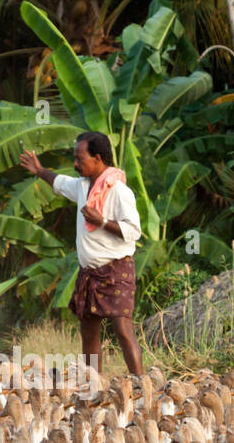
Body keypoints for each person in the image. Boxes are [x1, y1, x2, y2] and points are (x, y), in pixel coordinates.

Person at [19, 132, 144, 379]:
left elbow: (133, 231)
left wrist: (103, 221)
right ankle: (92, 385)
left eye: (80, 159)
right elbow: (59, 182)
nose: (75, 164)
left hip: (116, 269)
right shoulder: (83, 186)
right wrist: (40, 170)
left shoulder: (119, 191)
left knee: (122, 328)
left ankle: (141, 385)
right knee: (88, 329)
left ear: (98, 158)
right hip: (89, 272)